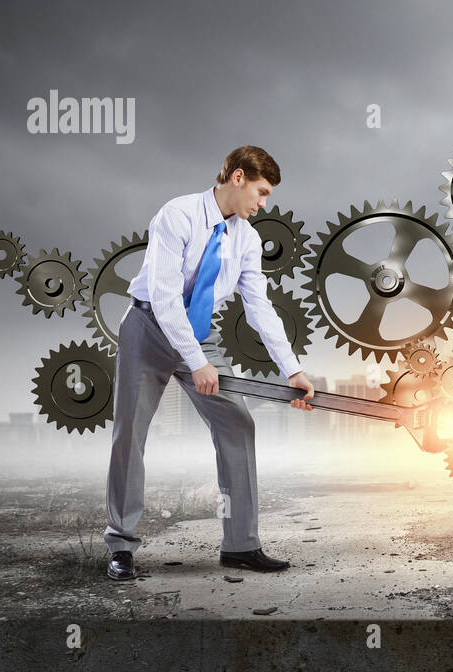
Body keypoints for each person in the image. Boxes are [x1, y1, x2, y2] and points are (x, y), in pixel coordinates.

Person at [104, 145, 315, 581]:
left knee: (237, 423)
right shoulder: (176, 216)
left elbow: (259, 308)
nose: (262, 204)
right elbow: (163, 298)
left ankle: (240, 545)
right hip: (147, 328)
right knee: (131, 433)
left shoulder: (247, 238)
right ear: (237, 177)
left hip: (199, 333)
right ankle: (120, 547)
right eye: (261, 192)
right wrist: (197, 362)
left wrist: (291, 369)